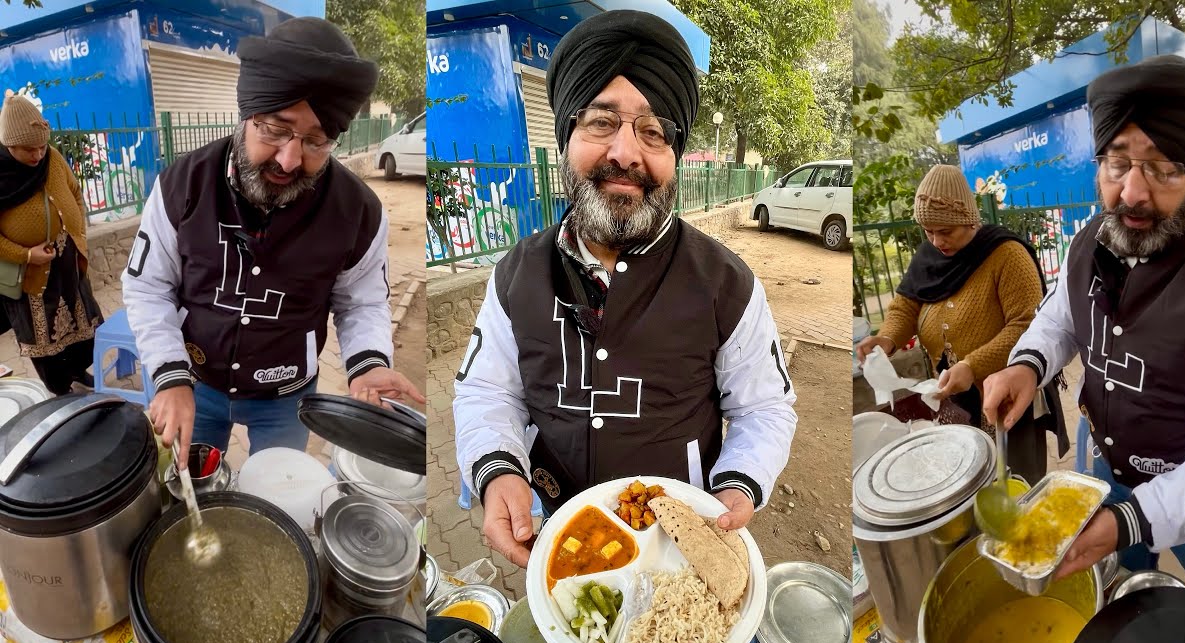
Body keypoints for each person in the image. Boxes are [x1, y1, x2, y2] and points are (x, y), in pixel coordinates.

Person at [453, 10, 798, 568]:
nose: (625, 153)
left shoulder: (726, 286)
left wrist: (738, 486)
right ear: (566, 136)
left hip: (674, 544)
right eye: (601, 122)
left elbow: (765, 408)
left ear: (674, 156)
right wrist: (497, 470)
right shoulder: (515, 275)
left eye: (654, 132)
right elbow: (487, 392)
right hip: (556, 528)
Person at [982, 55, 1185, 598]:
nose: (1133, 193)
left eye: (1164, 168)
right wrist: (1028, 364)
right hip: (1102, 467)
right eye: (1118, 165)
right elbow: (1062, 315)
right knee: (1117, 592)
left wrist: (1130, 520)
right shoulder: (1090, 238)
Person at [122, 18, 424, 470]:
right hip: (193, 385)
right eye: (275, 130)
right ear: (247, 113)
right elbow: (148, 287)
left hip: (287, 395)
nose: (289, 159)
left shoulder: (358, 212)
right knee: (192, 491)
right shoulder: (180, 187)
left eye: (317, 142)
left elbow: (361, 302)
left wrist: (367, 363)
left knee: (279, 496)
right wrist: (167, 375)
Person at [855, 164, 1067, 479]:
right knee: (965, 477)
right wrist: (887, 338)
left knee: (1015, 481)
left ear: (968, 220)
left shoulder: (1006, 256)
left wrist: (973, 365)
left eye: (946, 231)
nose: (937, 241)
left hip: (1007, 394)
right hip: (953, 394)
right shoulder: (930, 257)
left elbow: (1027, 326)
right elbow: (907, 304)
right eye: (929, 231)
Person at [0, 93, 102, 395]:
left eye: (42, 146)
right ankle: (60, 391)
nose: (37, 155)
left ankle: (78, 371)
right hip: (30, 272)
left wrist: (77, 231)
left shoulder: (52, 158)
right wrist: (26, 254)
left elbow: (75, 192)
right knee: (44, 340)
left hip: (65, 260)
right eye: (28, 150)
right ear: (8, 146)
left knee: (81, 323)